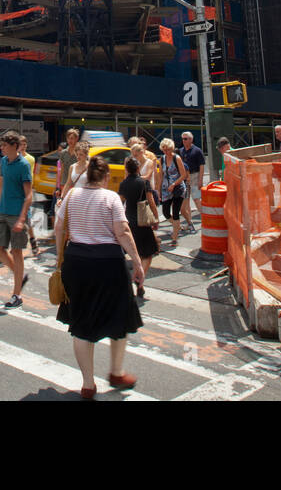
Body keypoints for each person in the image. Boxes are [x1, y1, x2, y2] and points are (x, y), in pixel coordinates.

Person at [55, 155, 144, 398]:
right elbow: (123, 232)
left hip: (76, 262)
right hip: (108, 264)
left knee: (82, 323)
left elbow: (58, 227)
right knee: (120, 316)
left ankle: (87, 384)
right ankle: (116, 372)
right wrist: (137, 262)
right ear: (105, 177)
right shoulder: (110, 197)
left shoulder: (71, 196)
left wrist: (58, 258)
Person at [0, 130, 31, 308]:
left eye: (5, 145)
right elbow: (3, 185)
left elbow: (28, 195)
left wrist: (22, 219)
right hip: (3, 211)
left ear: (14, 146)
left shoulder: (23, 165)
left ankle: (16, 295)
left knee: (17, 252)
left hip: (16, 213)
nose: (2, 148)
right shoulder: (4, 162)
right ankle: (19, 275)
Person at [118, 153, 158, 299]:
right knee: (147, 253)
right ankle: (140, 279)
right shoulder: (144, 182)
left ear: (126, 169)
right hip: (143, 222)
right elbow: (151, 201)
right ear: (138, 168)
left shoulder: (123, 184)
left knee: (132, 253)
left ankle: (135, 277)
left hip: (129, 222)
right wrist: (155, 218)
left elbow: (119, 203)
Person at [156, 138, 191, 245]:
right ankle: (177, 226)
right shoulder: (161, 159)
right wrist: (158, 191)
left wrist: (174, 184)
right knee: (166, 212)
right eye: (164, 150)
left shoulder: (177, 158)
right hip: (166, 189)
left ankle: (175, 238)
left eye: (168, 150)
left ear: (171, 148)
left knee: (175, 212)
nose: (166, 152)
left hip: (178, 188)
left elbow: (184, 175)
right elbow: (160, 176)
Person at [179, 131, 206, 224]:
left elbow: (202, 165)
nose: (184, 140)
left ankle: (205, 219)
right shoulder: (181, 151)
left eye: (185, 139)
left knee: (196, 198)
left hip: (195, 175)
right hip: (185, 177)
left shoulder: (197, 150)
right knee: (186, 201)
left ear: (191, 139)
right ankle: (189, 222)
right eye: (183, 139)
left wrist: (200, 180)